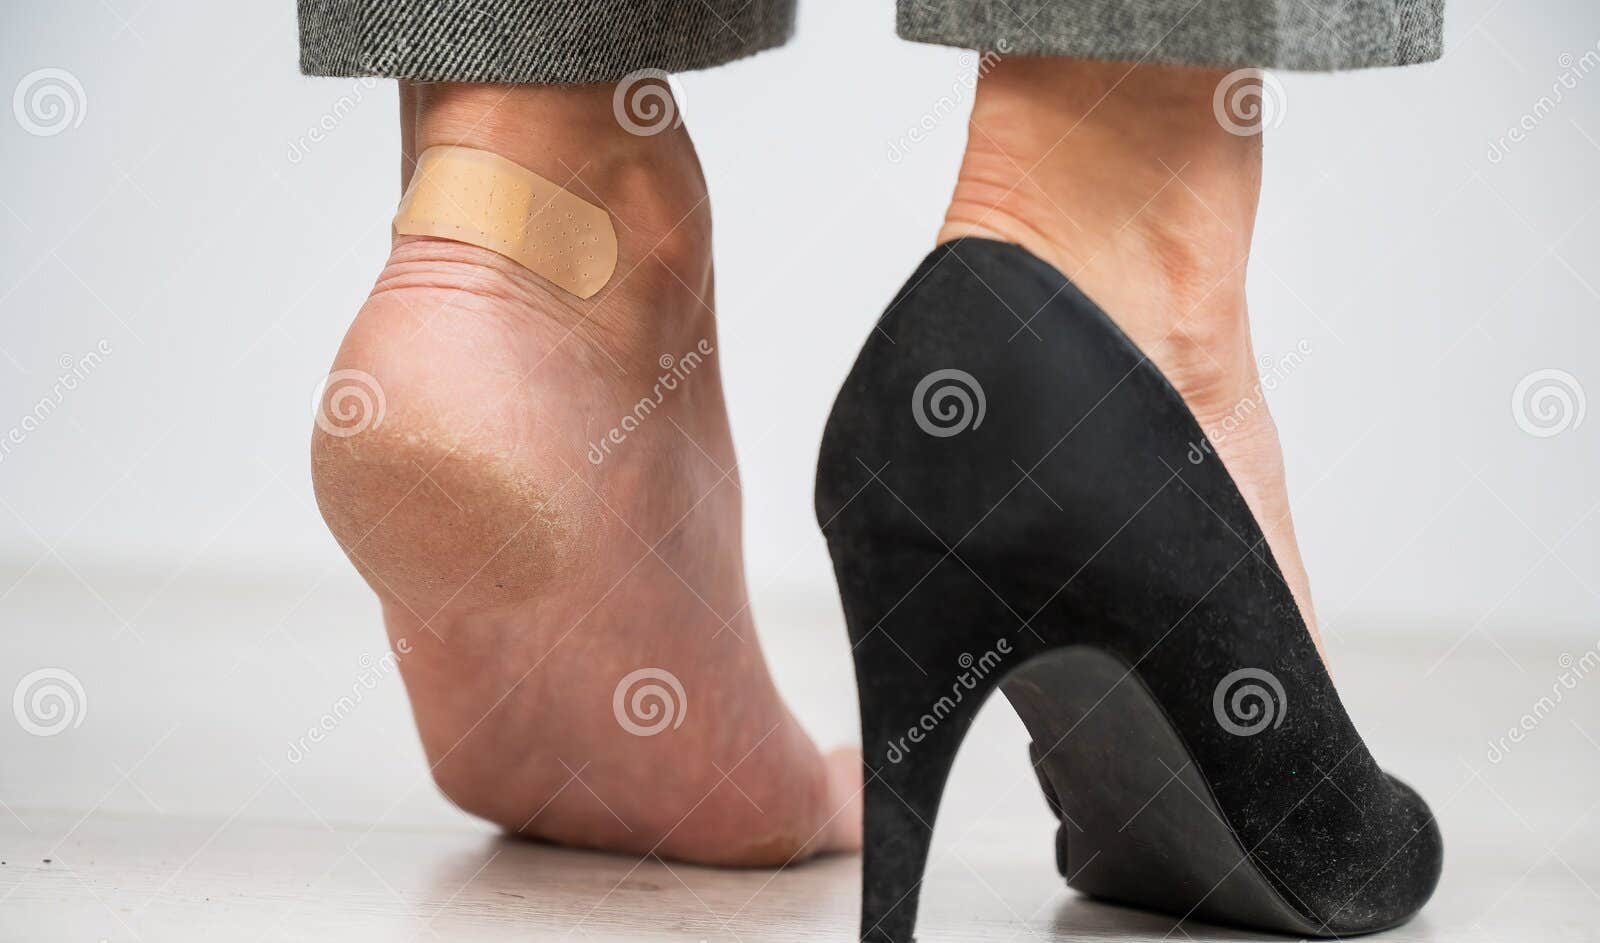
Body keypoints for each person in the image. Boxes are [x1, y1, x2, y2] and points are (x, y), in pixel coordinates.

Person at [298, 0, 1447, 890]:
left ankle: (522, 207)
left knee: (527, 116)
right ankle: (1101, 254)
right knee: (1100, 200)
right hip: (1096, 397)